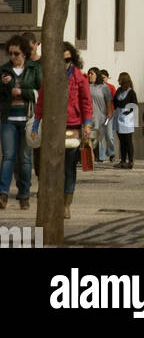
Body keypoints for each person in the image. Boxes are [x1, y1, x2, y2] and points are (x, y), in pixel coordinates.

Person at [34, 42, 93, 219]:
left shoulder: (79, 78)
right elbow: (41, 101)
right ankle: (51, 200)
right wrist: (36, 123)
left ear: (72, 59)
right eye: (62, 59)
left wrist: (87, 124)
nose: (65, 62)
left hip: (73, 126)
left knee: (68, 168)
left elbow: (86, 102)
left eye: (68, 59)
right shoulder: (50, 76)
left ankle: (66, 204)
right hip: (53, 127)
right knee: (49, 166)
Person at [0, 34, 42, 210]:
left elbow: (40, 92)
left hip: (27, 119)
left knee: (25, 159)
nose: (12, 57)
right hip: (8, 119)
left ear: (24, 53)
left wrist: (20, 92)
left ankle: (24, 195)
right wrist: (5, 86)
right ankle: (2, 194)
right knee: (8, 157)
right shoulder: (3, 70)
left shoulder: (34, 69)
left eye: (16, 53)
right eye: (10, 53)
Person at [87, 67, 113, 164]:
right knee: (89, 139)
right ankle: (89, 160)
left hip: (101, 118)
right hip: (89, 117)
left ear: (97, 75)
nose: (89, 75)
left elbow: (109, 103)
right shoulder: (86, 86)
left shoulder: (104, 87)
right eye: (88, 73)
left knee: (98, 139)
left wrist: (108, 118)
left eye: (92, 73)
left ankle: (100, 157)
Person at [113, 74, 138, 169]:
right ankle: (123, 161)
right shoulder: (119, 90)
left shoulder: (131, 92)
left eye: (119, 79)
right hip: (118, 117)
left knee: (128, 141)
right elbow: (115, 102)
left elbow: (134, 105)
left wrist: (126, 113)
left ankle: (130, 161)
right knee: (121, 141)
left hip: (127, 119)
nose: (118, 80)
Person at [100, 70, 117, 162]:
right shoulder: (97, 87)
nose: (103, 79)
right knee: (100, 136)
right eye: (101, 77)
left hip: (109, 115)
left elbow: (115, 99)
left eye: (104, 77)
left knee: (109, 135)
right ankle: (101, 156)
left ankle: (111, 153)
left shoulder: (111, 87)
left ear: (107, 77)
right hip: (100, 115)